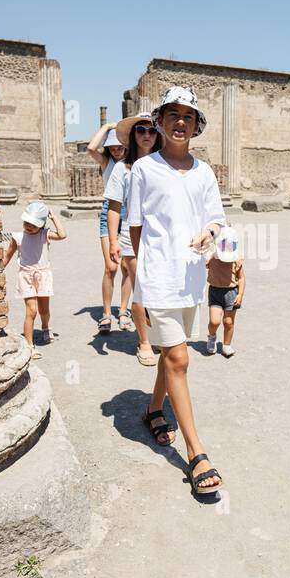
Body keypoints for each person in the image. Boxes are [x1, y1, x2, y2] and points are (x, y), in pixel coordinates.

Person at [126, 86, 226, 496]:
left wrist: (210, 232)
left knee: (173, 354)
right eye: (173, 115)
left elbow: (217, 218)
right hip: (160, 280)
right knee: (180, 359)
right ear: (160, 122)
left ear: (196, 125)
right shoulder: (143, 170)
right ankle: (196, 452)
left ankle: (153, 410)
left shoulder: (204, 173)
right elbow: (135, 229)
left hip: (191, 279)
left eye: (188, 116)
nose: (180, 121)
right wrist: (149, 269)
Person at [102, 112, 161, 365]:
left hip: (160, 236)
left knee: (159, 289)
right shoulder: (122, 167)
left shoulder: (164, 165)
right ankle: (144, 341)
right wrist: (114, 241)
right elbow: (114, 207)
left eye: (151, 130)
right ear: (133, 135)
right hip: (131, 234)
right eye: (141, 130)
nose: (146, 135)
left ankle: (157, 332)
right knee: (142, 289)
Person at [3, 200, 67, 360]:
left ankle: (46, 327)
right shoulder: (17, 237)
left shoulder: (44, 235)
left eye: (33, 223)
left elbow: (62, 235)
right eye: (26, 222)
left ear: (42, 224)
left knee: (44, 311)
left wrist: (54, 218)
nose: (29, 226)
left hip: (43, 276)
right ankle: (29, 346)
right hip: (26, 276)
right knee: (32, 311)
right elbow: (8, 255)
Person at [85, 122, 129, 333]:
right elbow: (91, 148)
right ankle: (106, 314)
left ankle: (122, 310)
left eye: (119, 146)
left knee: (128, 267)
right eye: (112, 147)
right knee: (111, 267)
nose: (116, 151)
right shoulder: (106, 162)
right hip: (108, 213)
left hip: (129, 214)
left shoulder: (134, 162)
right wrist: (106, 127)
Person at [205, 225, 244, 357]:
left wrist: (240, 294)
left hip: (231, 293)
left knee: (228, 322)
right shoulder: (211, 257)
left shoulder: (236, 260)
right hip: (215, 291)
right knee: (214, 321)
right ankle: (211, 337)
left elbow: (242, 278)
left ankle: (227, 345)